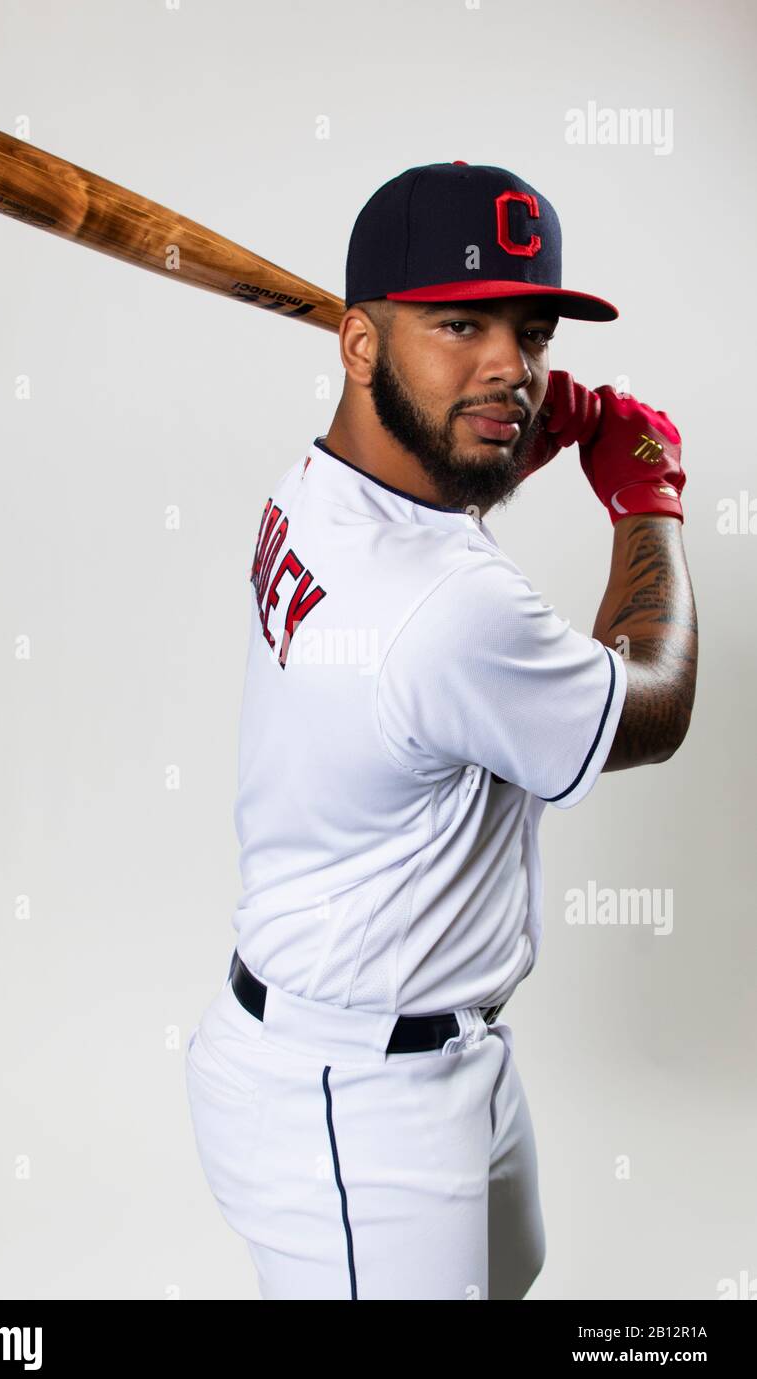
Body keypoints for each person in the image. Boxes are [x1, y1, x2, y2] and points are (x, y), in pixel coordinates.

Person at [184, 161, 697, 1300]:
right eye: (459, 323)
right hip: (354, 1104)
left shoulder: (314, 484)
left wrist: (500, 432)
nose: (509, 368)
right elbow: (648, 708)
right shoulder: (447, 607)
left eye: (529, 332)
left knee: (513, 1276)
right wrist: (645, 497)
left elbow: (429, 487)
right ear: (358, 345)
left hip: (392, 1039)